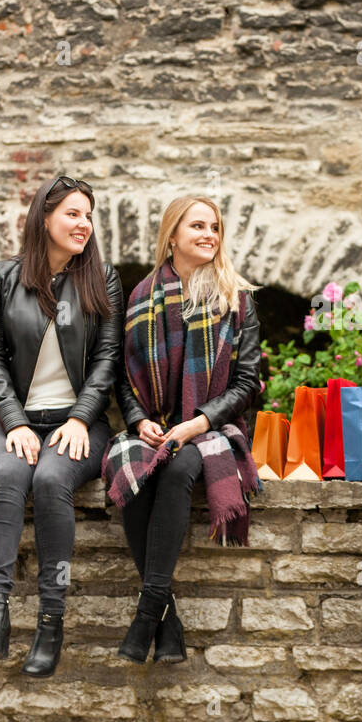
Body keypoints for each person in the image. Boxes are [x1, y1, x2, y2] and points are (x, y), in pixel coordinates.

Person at [0, 175, 125, 678]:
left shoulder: (104, 279)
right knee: (12, 477)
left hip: (78, 425)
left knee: (51, 478)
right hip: (14, 423)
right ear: (45, 218)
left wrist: (81, 417)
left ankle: (51, 620)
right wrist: (13, 422)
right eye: (73, 214)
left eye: (88, 216)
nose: (84, 225)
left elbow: (107, 360)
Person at [103, 194, 264, 665]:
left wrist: (196, 424)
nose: (209, 235)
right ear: (172, 235)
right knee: (131, 470)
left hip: (214, 427)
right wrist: (140, 420)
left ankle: (146, 611)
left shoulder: (237, 299)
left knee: (174, 473)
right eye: (197, 226)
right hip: (156, 427)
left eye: (214, 227)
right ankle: (166, 620)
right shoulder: (140, 298)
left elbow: (247, 383)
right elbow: (123, 377)